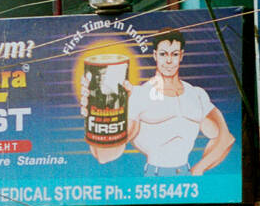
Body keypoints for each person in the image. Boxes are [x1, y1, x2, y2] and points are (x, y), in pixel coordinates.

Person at [92, 30, 235, 176]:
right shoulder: (139, 95)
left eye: (174, 54)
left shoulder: (196, 95)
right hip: (155, 179)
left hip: (185, 177)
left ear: (181, 56)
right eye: (163, 54)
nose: (168, 61)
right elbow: (105, 155)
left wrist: (198, 170)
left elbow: (225, 138)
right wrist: (98, 111)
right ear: (155, 55)